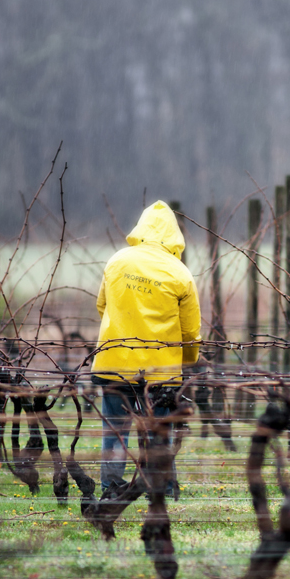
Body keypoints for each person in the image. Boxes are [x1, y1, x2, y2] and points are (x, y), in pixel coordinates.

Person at [91, 200, 201, 494]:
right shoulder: (180, 274)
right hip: (161, 373)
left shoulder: (117, 261)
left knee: (115, 430)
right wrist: (187, 362)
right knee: (160, 430)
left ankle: (110, 486)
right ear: (174, 236)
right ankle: (164, 487)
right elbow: (190, 333)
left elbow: (102, 306)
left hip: (113, 365)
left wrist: (124, 332)